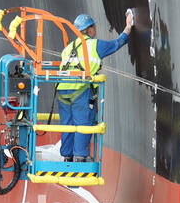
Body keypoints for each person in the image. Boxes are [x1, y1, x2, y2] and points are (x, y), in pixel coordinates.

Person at [56, 10, 133, 161]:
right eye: (94, 27)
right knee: (83, 123)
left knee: (67, 124)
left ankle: (67, 156)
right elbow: (118, 43)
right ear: (89, 29)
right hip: (80, 89)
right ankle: (80, 157)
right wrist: (128, 26)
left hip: (62, 90)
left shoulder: (68, 48)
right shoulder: (95, 45)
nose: (95, 30)